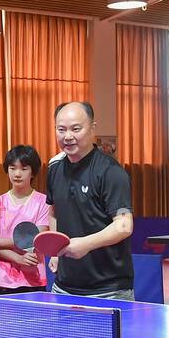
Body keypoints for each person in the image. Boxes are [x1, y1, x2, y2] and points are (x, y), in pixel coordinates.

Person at [45, 101, 134, 299]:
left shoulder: (111, 172)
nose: (68, 136)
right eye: (61, 129)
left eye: (76, 129)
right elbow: (53, 212)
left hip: (108, 290)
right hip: (64, 287)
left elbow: (124, 226)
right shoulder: (54, 168)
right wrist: (54, 250)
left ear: (92, 128)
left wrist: (84, 244)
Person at [0, 144, 51, 293]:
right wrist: (18, 258)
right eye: (13, 168)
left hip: (34, 279)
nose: (17, 174)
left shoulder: (43, 202)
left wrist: (3, 243)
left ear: (33, 172)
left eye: (24, 169)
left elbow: (37, 239)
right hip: (3, 280)